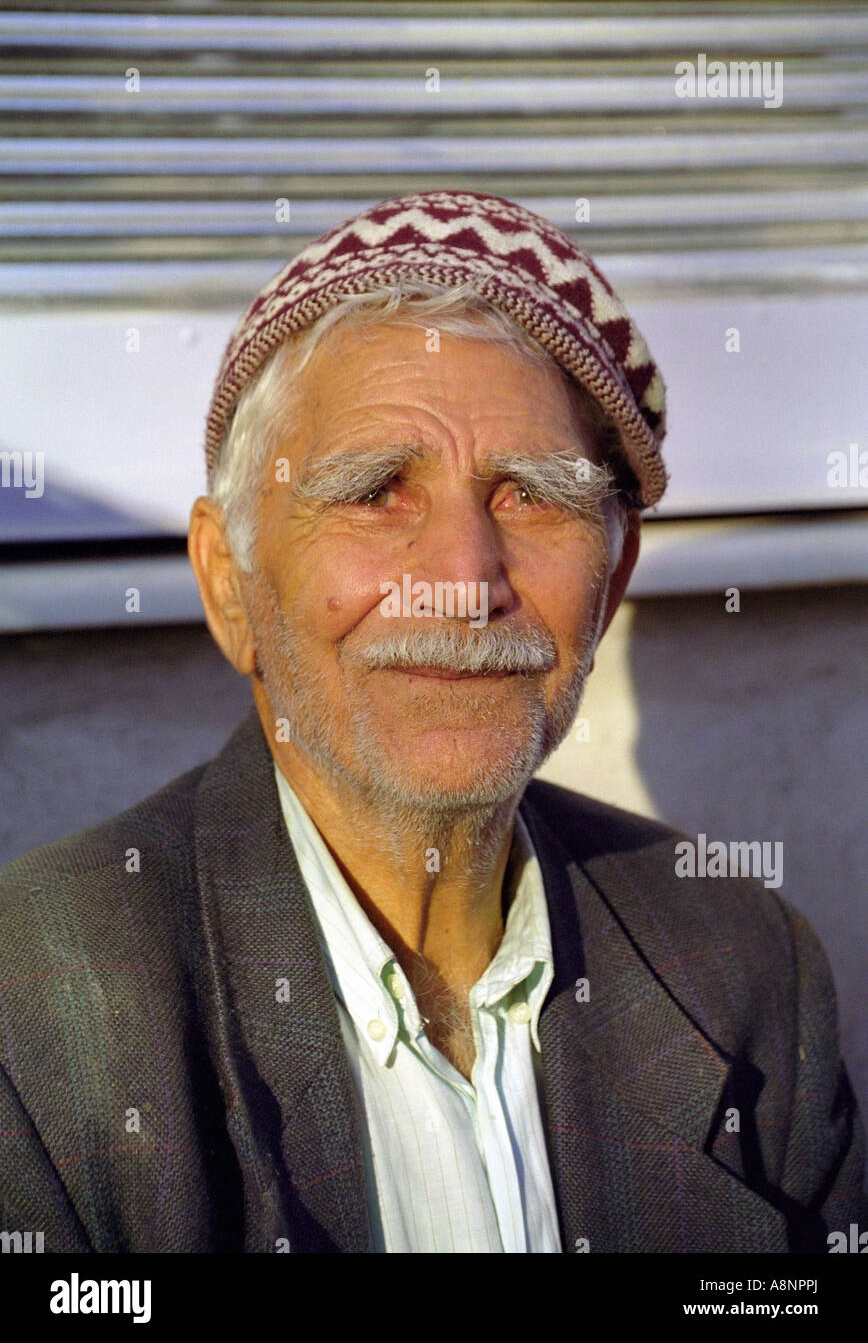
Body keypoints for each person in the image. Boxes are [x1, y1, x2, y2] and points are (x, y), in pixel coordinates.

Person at [0, 190, 864, 1253]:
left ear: (613, 577)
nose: (461, 579)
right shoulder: (33, 1011)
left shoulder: (744, 964)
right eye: (374, 491)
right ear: (231, 584)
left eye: (529, 495)